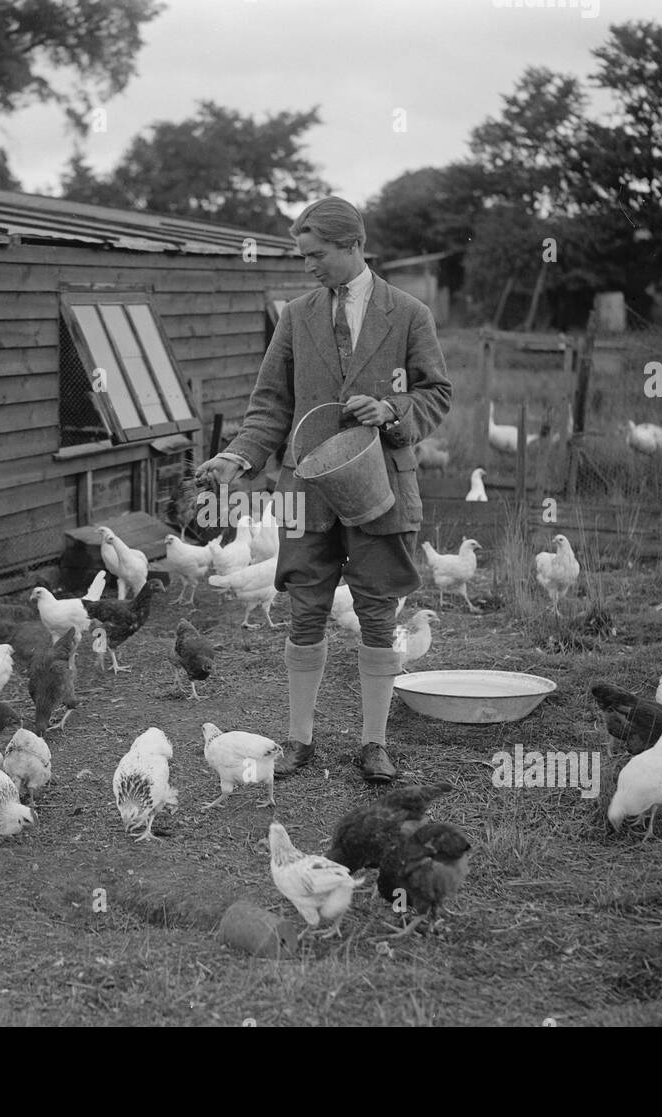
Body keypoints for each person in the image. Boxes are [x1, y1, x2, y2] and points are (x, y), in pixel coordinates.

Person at [195, 196, 452, 784]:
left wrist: (392, 410)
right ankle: (299, 740)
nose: (308, 266)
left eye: (316, 255)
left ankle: (374, 744)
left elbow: (437, 393)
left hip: (381, 487)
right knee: (305, 610)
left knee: (378, 612)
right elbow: (271, 404)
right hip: (305, 491)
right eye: (302, 256)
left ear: (353, 245)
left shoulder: (408, 314)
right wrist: (239, 456)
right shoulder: (297, 316)